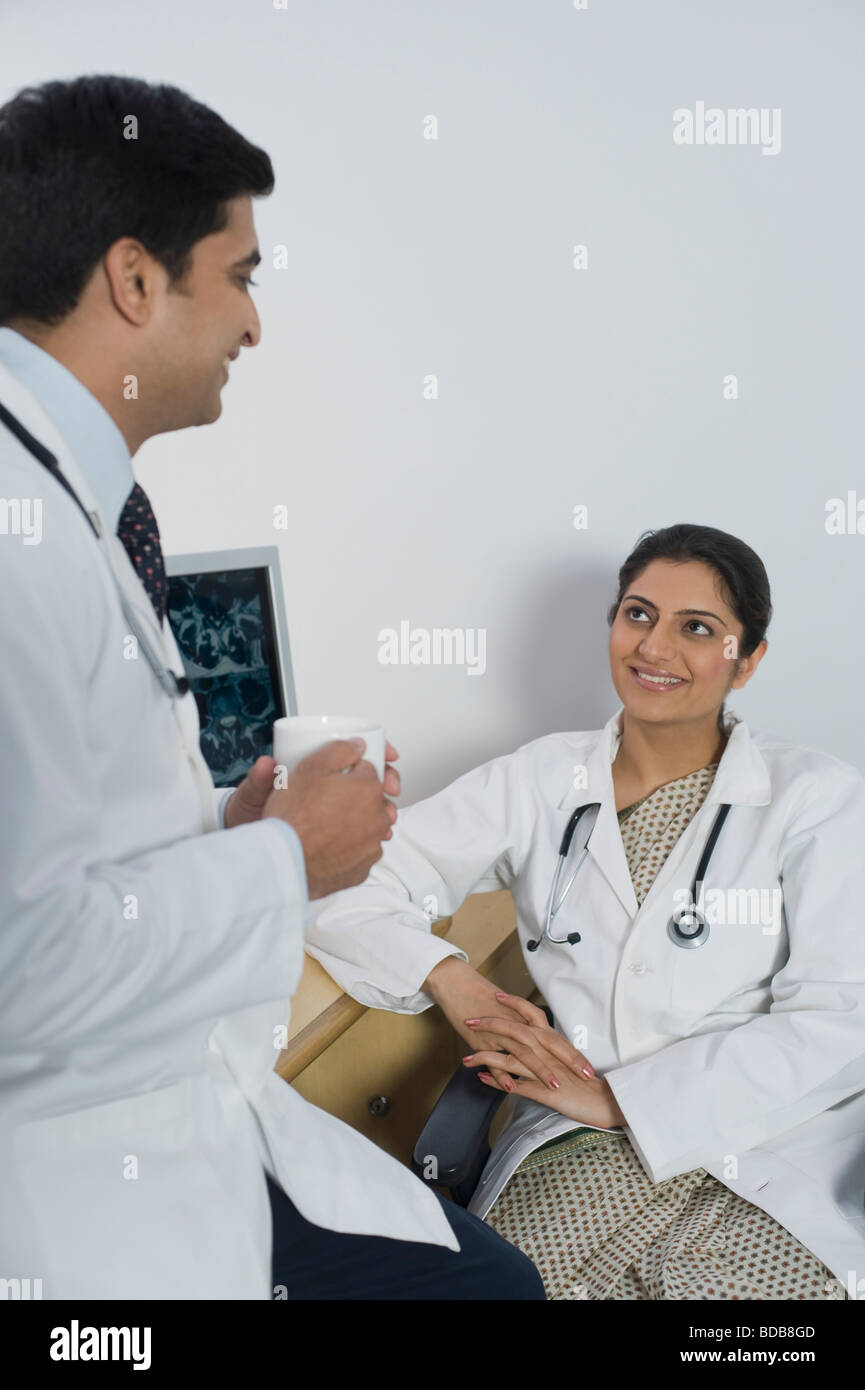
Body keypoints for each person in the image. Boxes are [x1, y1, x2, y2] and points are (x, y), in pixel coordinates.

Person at [0, 74, 544, 1301]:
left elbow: (52, 839)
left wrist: (221, 831)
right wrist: (288, 858)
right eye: (240, 275)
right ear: (136, 281)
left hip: (170, 1120)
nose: (256, 326)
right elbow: (21, 965)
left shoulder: (74, 507)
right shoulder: (18, 530)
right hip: (75, 1198)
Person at [306, 524, 865, 1300]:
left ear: (747, 659)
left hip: (770, 1143)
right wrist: (454, 981)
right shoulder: (540, 780)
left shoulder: (817, 799)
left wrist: (623, 1098)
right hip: (579, 1146)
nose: (653, 648)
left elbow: (840, 1019)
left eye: (695, 628)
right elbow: (339, 879)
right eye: (637, 615)